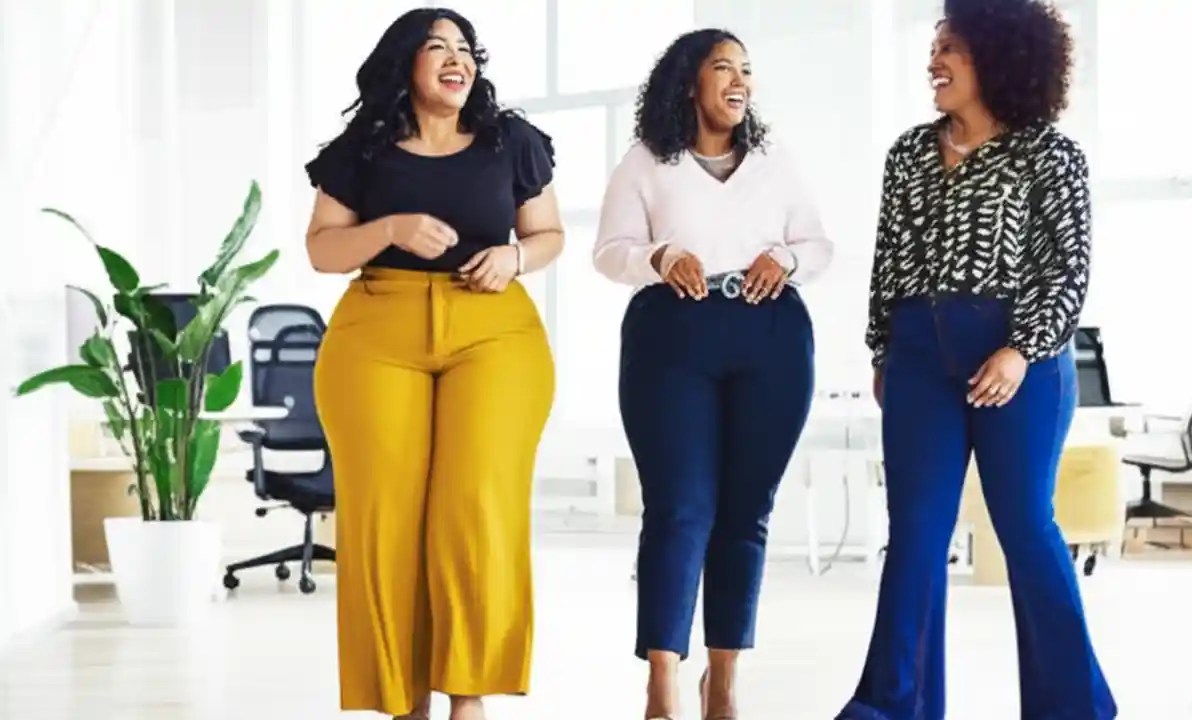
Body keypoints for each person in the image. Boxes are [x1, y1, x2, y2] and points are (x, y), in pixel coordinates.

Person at [837, 1, 1116, 719]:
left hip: (1018, 357)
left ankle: (1073, 708)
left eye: (950, 47)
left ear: (997, 56)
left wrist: (1022, 348)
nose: (934, 62)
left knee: (1024, 527)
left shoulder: (1049, 154)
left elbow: (1067, 269)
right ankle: (892, 705)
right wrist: (882, 349)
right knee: (917, 533)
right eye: (933, 47)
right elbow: (887, 261)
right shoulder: (908, 153)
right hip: (917, 357)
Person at [303, 8, 562, 720]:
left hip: (494, 334)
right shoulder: (362, 149)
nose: (457, 59)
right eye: (437, 47)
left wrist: (515, 257)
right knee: (385, 520)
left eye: (464, 48)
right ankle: (403, 701)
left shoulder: (512, 141)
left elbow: (547, 234)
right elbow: (322, 248)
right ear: (404, 65)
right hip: (376, 331)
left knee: (475, 507)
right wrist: (388, 230)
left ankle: (468, 698)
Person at [593, 28, 833, 720]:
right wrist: (661, 256)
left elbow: (817, 243)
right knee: (679, 507)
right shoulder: (647, 161)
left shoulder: (773, 161)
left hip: (771, 336)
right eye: (723, 67)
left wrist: (784, 261)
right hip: (672, 336)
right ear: (688, 82)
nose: (739, 80)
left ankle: (723, 680)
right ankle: (663, 680)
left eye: (746, 70)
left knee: (744, 513)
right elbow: (610, 251)